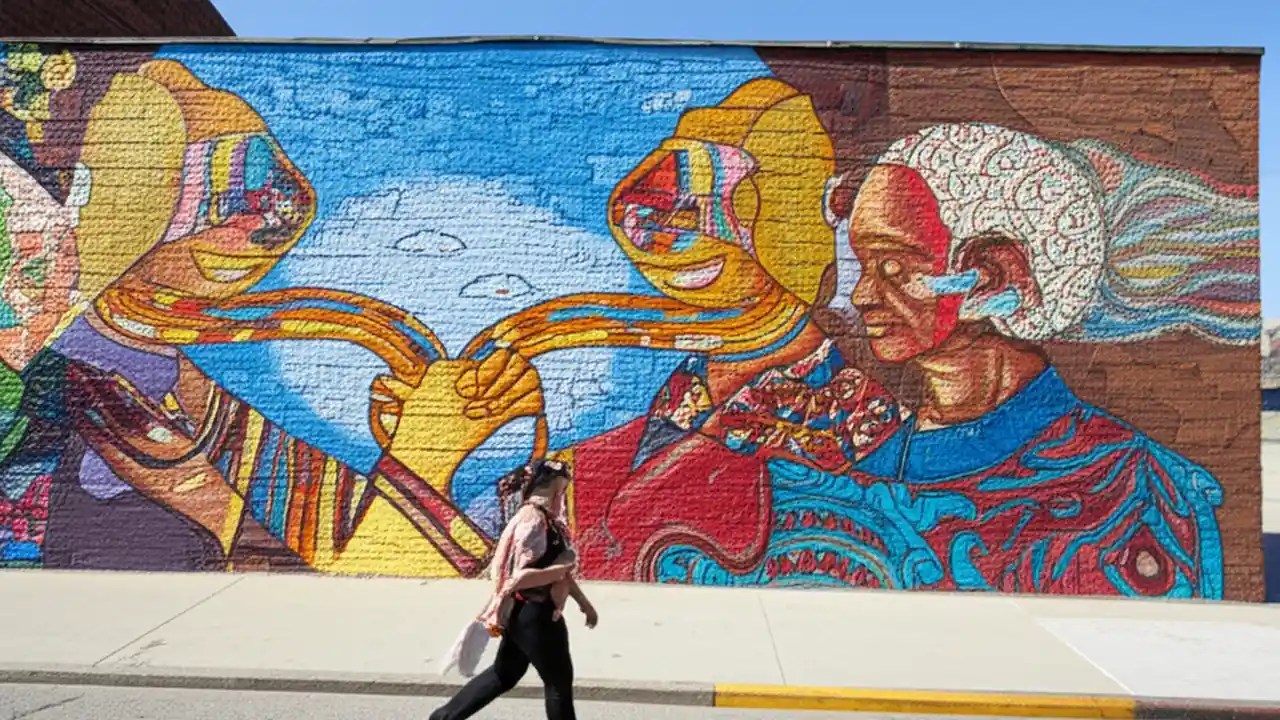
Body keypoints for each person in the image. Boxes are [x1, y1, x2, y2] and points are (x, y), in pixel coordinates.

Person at [432, 459, 598, 720]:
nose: (562, 496)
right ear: (553, 486)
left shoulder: (547, 520)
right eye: (561, 488)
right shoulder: (532, 521)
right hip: (535, 614)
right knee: (558, 683)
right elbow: (518, 578)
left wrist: (583, 603)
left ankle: (443, 717)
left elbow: (558, 570)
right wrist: (562, 565)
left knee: (505, 674)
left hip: (529, 612)